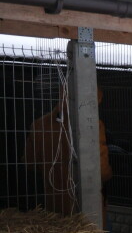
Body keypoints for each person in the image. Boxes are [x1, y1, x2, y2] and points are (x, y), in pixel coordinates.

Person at [24, 87, 112, 218]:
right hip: (88, 202)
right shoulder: (93, 125)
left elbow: (29, 162)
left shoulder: (39, 125)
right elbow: (102, 170)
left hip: (52, 201)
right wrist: (107, 175)